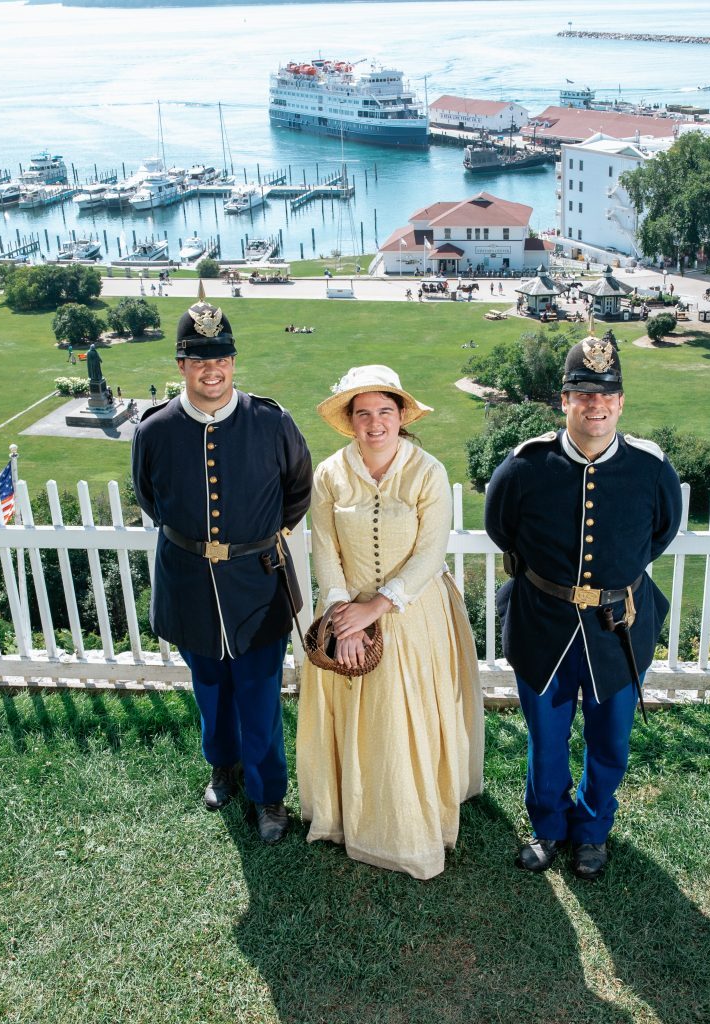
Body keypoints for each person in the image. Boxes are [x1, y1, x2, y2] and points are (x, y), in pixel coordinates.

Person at [485, 333, 682, 881]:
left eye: (607, 393)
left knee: (610, 742)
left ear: (620, 402)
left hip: (617, 629)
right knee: (546, 743)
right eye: (582, 392)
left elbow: (660, 534)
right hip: (542, 623)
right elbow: (501, 527)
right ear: (563, 400)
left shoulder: (651, 469)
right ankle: (548, 826)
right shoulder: (526, 465)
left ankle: (593, 831)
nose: (595, 404)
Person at [131, 289, 313, 844]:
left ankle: (268, 795)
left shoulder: (271, 422)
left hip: (256, 581)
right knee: (209, 686)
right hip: (187, 581)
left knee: (259, 692)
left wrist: (262, 541)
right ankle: (222, 765)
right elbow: (150, 500)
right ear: (182, 365)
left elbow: (298, 489)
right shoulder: (154, 430)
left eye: (223, 359)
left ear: (234, 362)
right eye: (201, 360)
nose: (213, 370)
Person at [297, 365, 484, 879]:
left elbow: (429, 555)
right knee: (354, 714)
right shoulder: (330, 475)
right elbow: (325, 548)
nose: (375, 423)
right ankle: (349, 815)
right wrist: (343, 619)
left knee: (406, 717)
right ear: (350, 421)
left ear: (401, 416)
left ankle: (406, 823)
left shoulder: (428, 472)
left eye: (385, 411)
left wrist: (376, 609)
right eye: (363, 414)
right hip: (344, 608)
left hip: (413, 611)